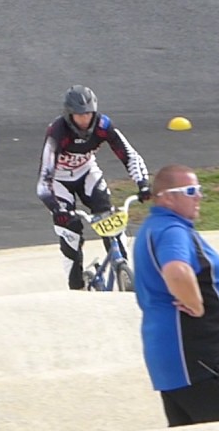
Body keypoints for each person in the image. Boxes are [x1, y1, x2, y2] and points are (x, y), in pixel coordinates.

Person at [131, 164, 219, 427]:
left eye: (198, 190)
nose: (198, 196)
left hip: (184, 362)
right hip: (198, 361)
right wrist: (196, 305)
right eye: (190, 191)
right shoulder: (171, 230)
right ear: (167, 197)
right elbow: (176, 270)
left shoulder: (156, 227)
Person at [36, 85, 150, 290]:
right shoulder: (57, 131)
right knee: (70, 231)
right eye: (79, 115)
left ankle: (122, 267)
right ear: (69, 114)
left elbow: (129, 155)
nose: (84, 119)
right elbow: (44, 181)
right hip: (59, 181)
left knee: (108, 215)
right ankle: (77, 287)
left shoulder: (103, 125)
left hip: (87, 172)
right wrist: (57, 209)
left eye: (88, 114)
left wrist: (143, 184)